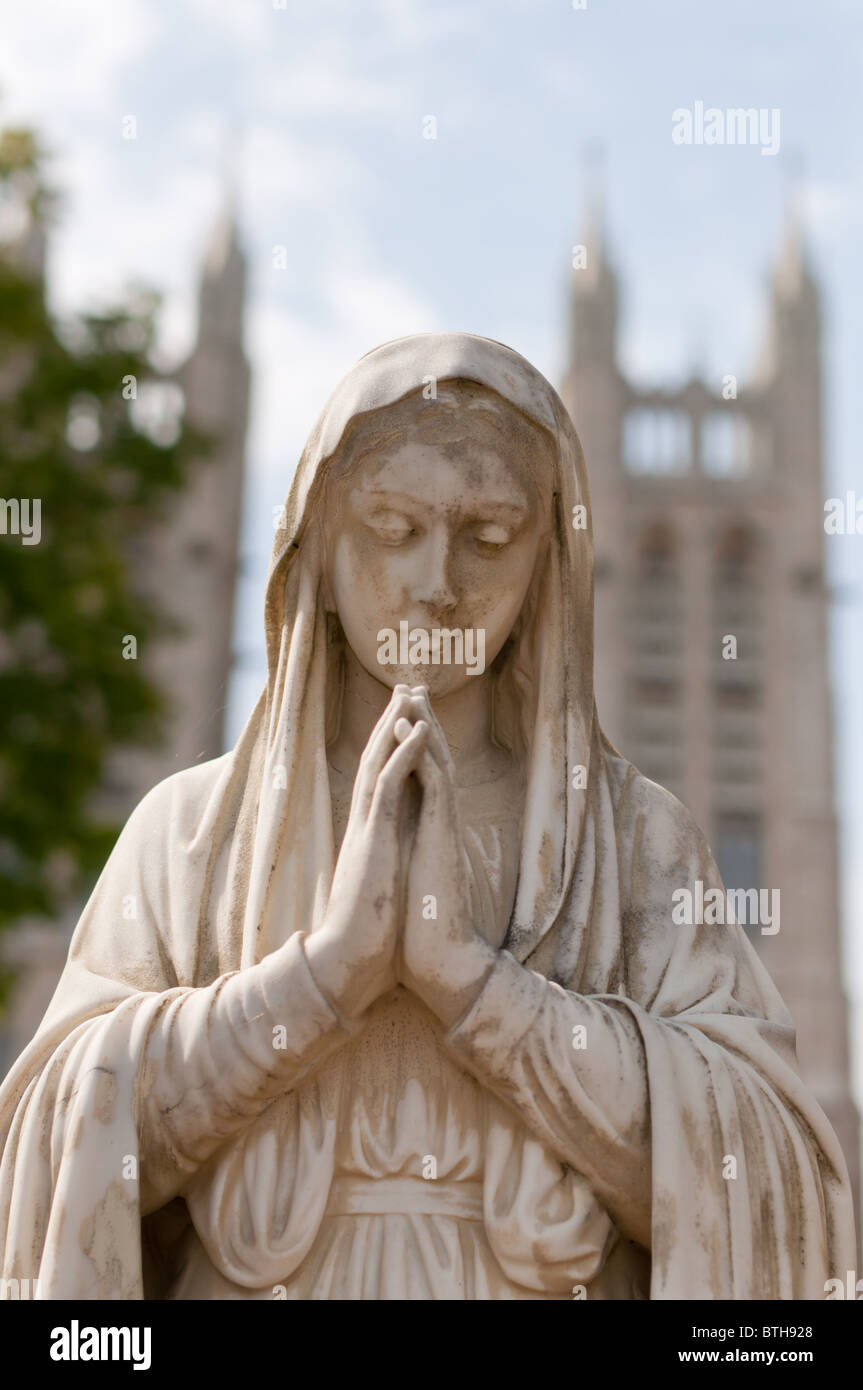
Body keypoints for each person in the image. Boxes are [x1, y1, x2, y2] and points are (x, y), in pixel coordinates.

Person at [0, 333, 854, 1299]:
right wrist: (323, 979)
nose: (438, 582)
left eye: (490, 537)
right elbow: (64, 1131)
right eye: (393, 527)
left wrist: (472, 987)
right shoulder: (190, 832)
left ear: (550, 560)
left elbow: (762, 1158)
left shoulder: (639, 843)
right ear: (316, 545)